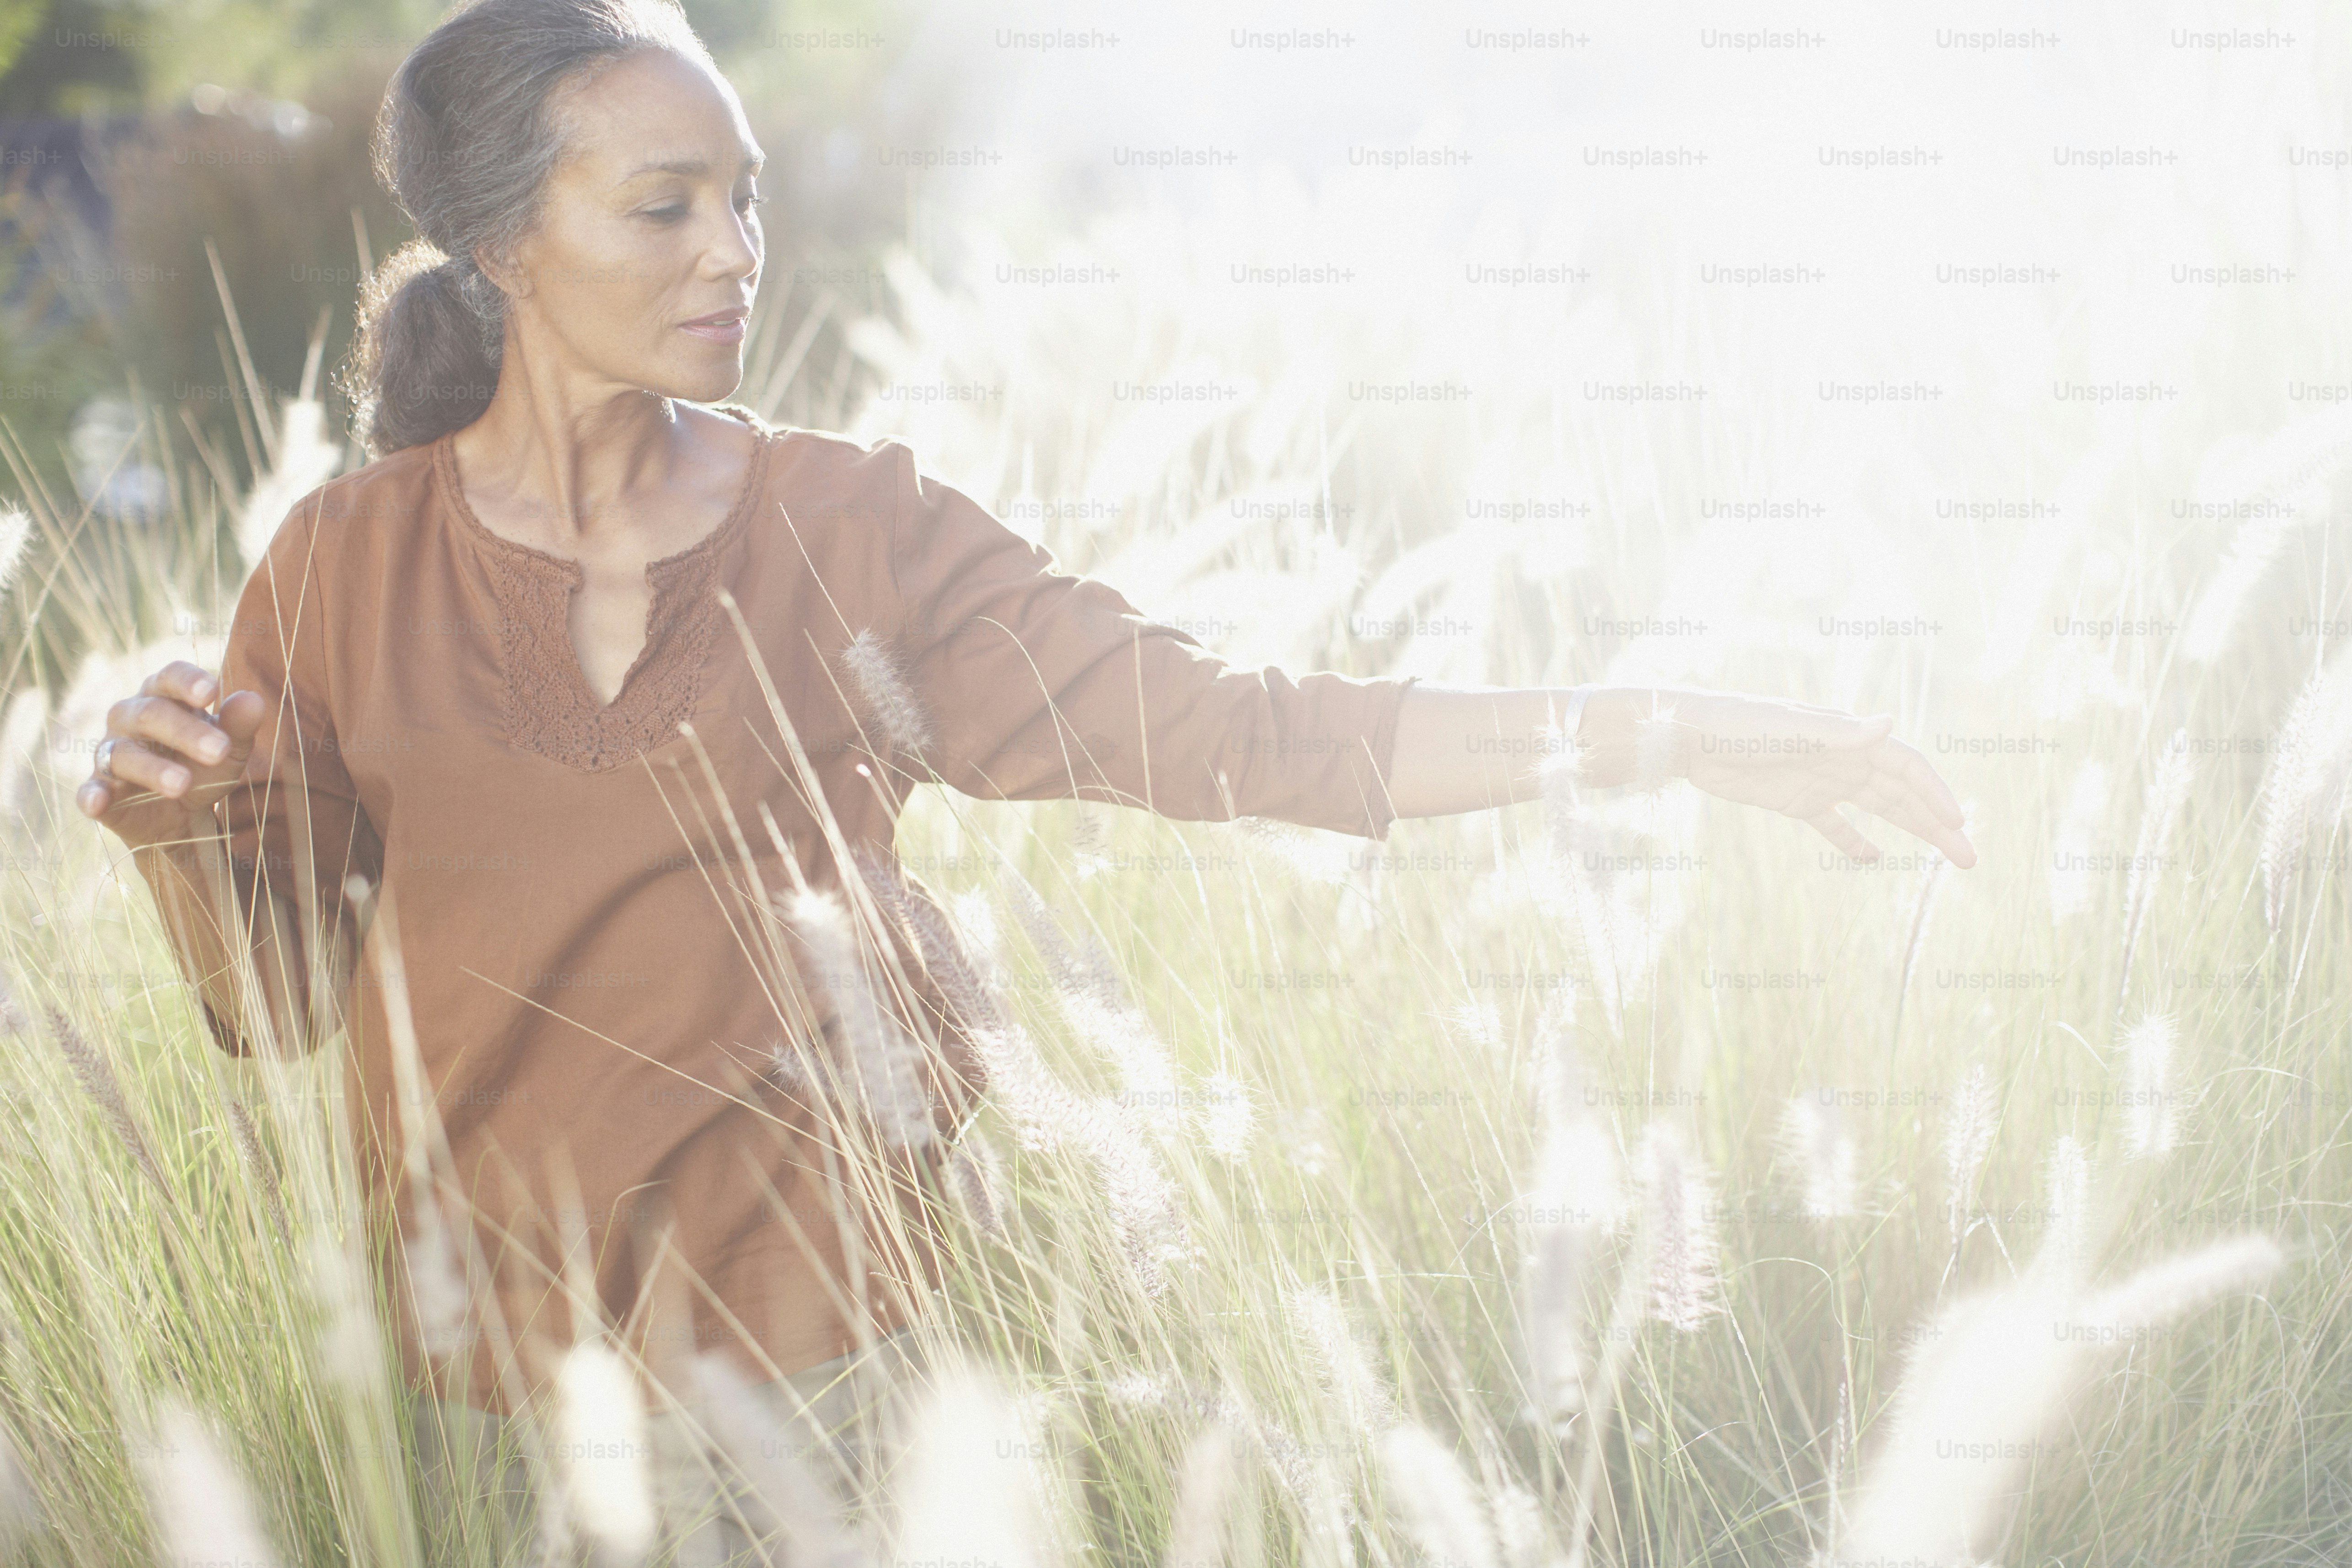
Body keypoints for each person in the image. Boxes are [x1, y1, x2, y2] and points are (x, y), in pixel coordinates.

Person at [75, 0, 1977, 1557]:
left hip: (841, 1404)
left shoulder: (855, 532)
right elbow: (277, 998)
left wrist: (1676, 728)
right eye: (664, 207)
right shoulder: (337, 564)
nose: (734, 252)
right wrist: (187, 814)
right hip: (498, 1432)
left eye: (744, 198)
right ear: (503, 243)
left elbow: (1247, 732)